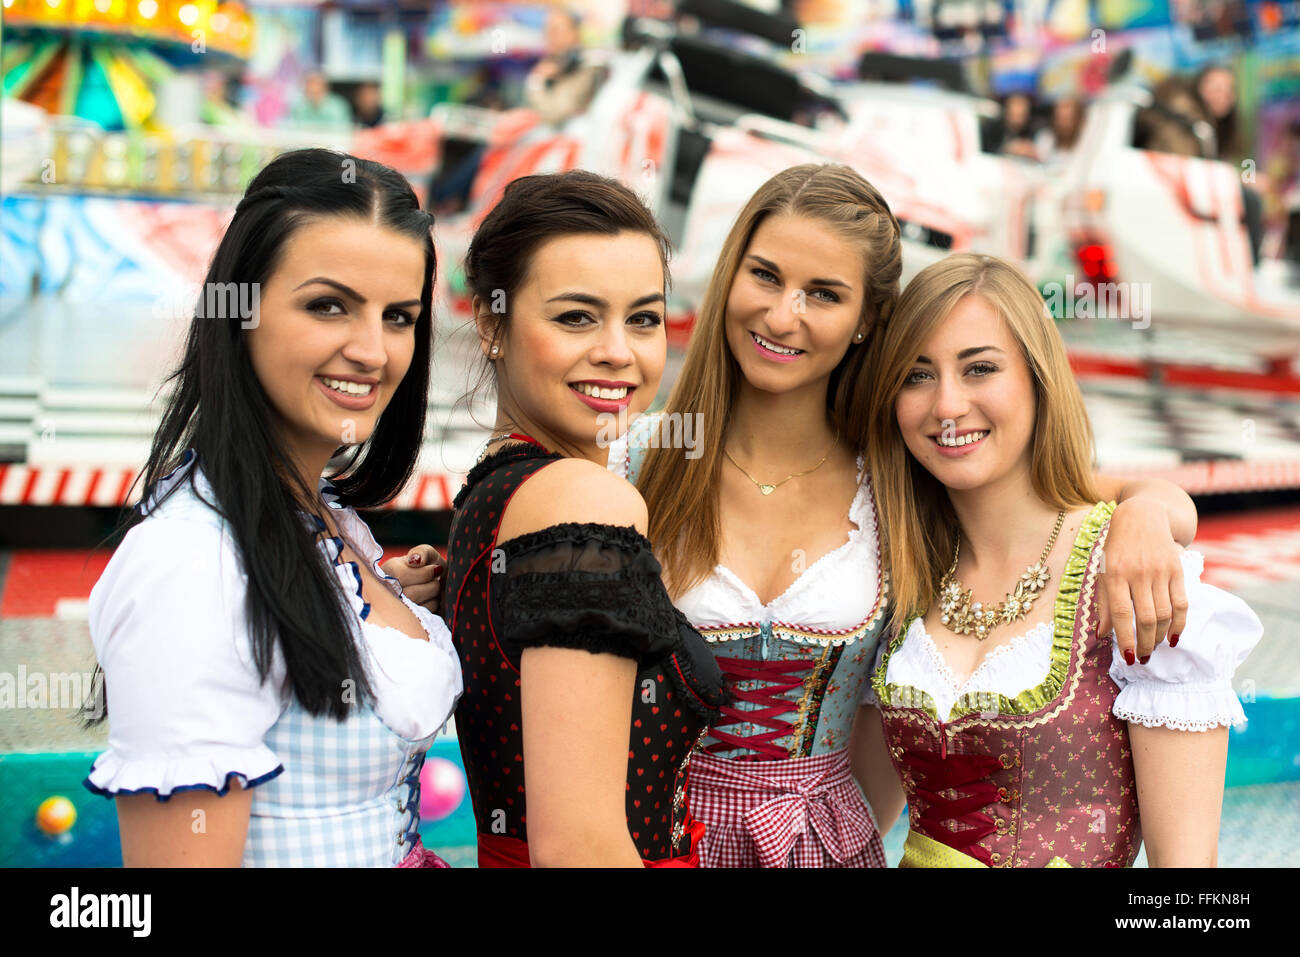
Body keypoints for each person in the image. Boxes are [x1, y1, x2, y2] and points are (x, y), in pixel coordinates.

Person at [613, 163, 1200, 868]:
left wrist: (1145, 512)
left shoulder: (897, 481)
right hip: (645, 841)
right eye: (764, 275)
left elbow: (1066, 490)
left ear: (867, 321)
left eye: (823, 293)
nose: (781, 314)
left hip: (827, 849)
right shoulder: (638, 465)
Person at [82, 148, 463, 867]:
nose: (372, 350)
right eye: (328, 305)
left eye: (399, 316)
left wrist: (390, 608)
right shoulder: (190, 562)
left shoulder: (325, 524)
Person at [857, 253, 1261, 867]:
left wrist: (1147, 510)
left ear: (1037, 378)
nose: (946, 405)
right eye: (916, 375)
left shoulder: (1128, 574)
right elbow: (863, 816)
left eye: (980, 369)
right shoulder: (902, 566)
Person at [442, 169, 726, 867]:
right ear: (490, 322)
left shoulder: (499, 494)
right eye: (575, 317)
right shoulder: (582, 502)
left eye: (644, 318)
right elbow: (578, 849)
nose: (618, 352)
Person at [522, 8, 604, 128]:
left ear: (574, 32)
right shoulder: (549, 64)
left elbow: (555, 114)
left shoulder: (586, 64)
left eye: (556, 29)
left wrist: (537, 81)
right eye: (547, 29)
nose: (549, 35)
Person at [288, 71, 353, 130]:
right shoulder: (298, 105)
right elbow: (292, 127)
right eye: (309, 85)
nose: (312, 89)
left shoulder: (337, 105)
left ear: (325, 87)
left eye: (316, 85)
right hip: (304, 140)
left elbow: (341, 129)